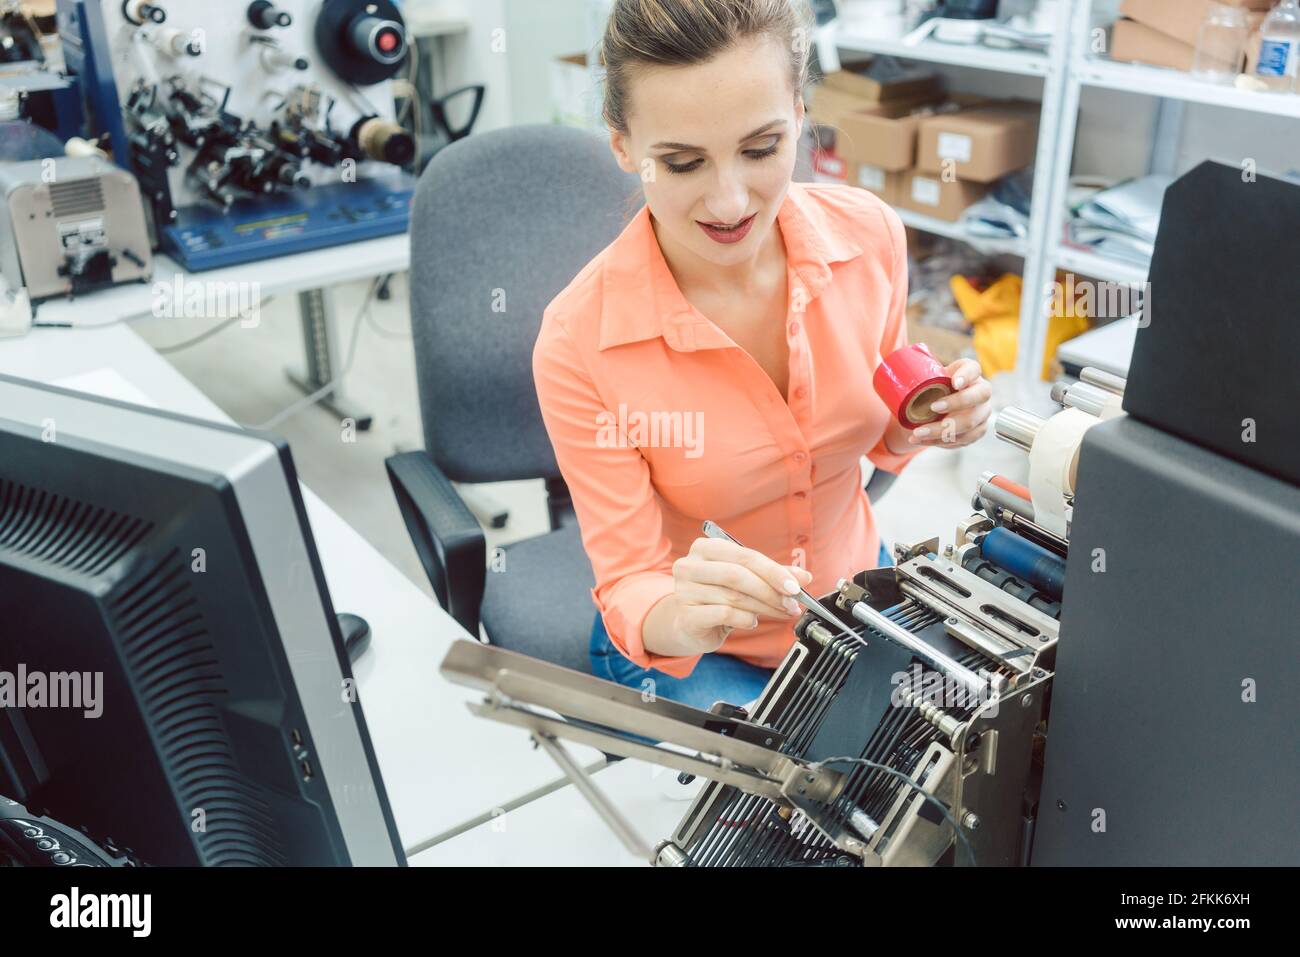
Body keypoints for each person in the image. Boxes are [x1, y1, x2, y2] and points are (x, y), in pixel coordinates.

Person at [532, 0, 992, 711]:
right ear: (623, 146)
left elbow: (886, 437)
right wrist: (685, 616)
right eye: (682, 162)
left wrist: (937, 414)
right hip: (701, 652)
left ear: (801, 113)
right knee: (790, 800)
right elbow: (630, 583)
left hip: (851, 600)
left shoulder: (869, 237)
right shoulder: (579, 342)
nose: (729, 200)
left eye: (760, 148)